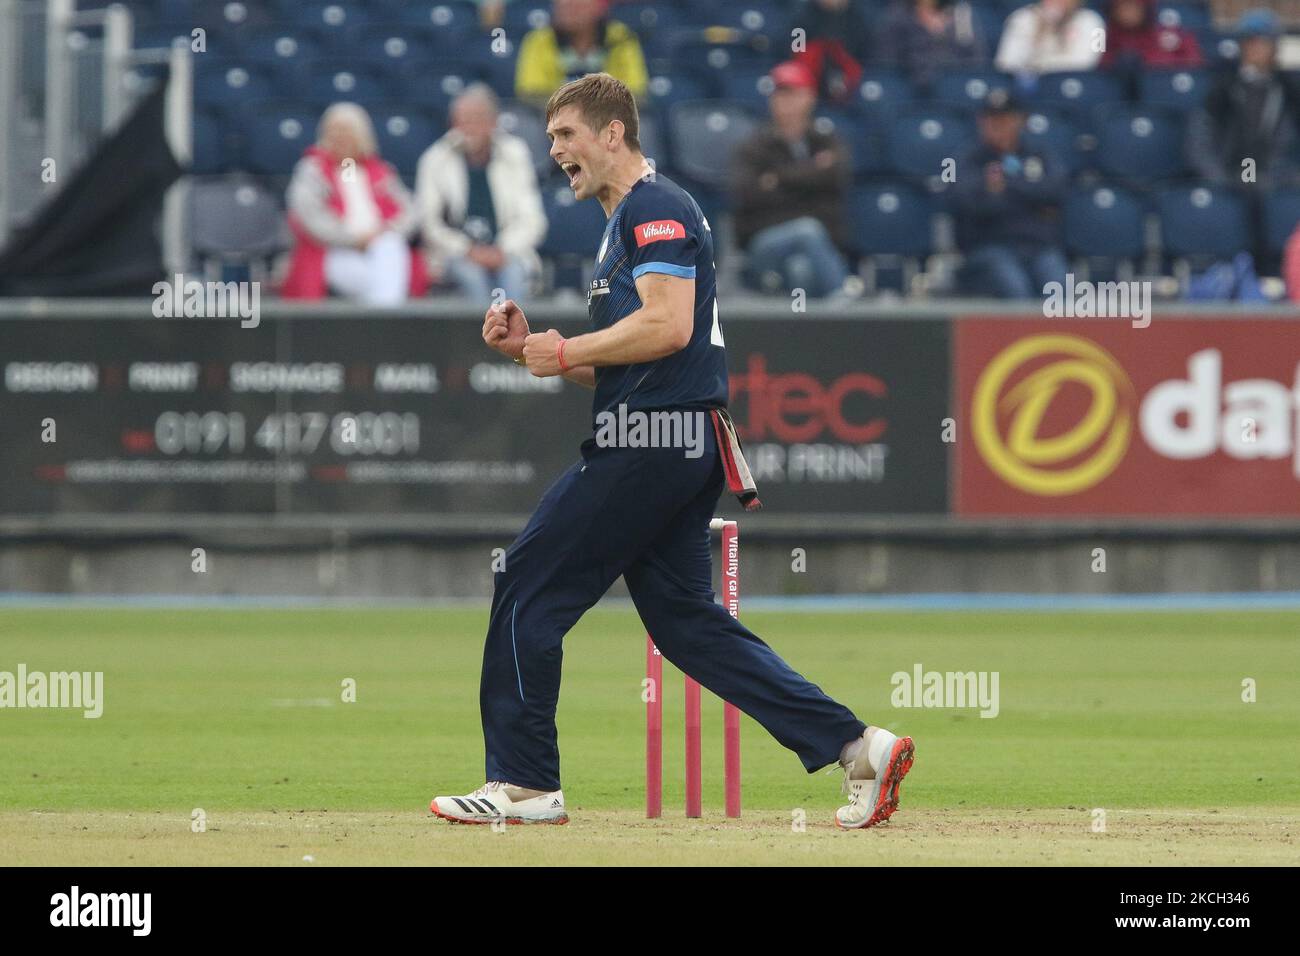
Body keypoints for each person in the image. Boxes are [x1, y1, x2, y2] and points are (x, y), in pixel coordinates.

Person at [429, 73, 913, 828]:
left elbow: (669, 326)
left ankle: (524, 785)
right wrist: (531, 350)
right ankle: (857, 748)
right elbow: (628, 353)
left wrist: (565, 347)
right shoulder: (626, 221)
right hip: (678, 437)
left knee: (526, 581)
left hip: (650, 440)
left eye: (566, 135)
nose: (555, 151)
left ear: (612, 133)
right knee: (687, 623)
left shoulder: (654, 206)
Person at [730, 60, 856, 299]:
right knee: (807, 230)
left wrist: (779, 178)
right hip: (764, 244)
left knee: (801, 270)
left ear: (810, 98)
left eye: (793, 94)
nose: (785, 102)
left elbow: (839, 177)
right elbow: (747, 194)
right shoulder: (754, 145)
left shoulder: (826, 140)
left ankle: (804, 333)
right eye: (779, 94)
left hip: (819, 246)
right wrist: (812, 175)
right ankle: (844, 305)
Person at [416, 85, 547, 303]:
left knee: (513, 275)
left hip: (507, 251)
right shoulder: (435, 159)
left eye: (477, 119)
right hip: (455, 254)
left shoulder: (515, 154)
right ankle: (486, 337)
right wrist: (467, 250)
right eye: (462, 120)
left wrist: (502, 250)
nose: (469, 128)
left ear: (493, 122)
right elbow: (429, 225)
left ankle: (515, 336)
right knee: (472, 276)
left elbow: (533, 220)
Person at [282, 103, 424, 305]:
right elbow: (310, 216)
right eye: (334, 132)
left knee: (390, 246)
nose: (340, 138)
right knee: (385, 283)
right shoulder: (311, 170)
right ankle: (391, 319)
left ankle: (384, 316)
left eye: (347, 132)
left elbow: (410, 211)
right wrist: (353, 239)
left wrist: (385, 231)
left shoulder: (382, 170)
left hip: (381, 247)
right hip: (333, 251)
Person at [953, 89, 1069, 298]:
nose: (997, 125)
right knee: (1015, 288)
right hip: (989, 246)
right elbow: (968, 203)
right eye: (991, 119)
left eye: (1004, 119)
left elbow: (1056, 191)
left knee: (1059, 286)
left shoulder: (1039, 154)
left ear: (1020, 121)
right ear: (981, 122)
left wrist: (1005, 184)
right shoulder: (967, 159)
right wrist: (1032, 200)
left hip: (1038, 246)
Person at [1188, 9, 1300, 191]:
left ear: (1275, 47)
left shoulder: (1290, 91)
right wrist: (1218, 177)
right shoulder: (1222, 89)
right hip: (1229, 180)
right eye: (1250, 42)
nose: (1256, 48)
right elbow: (1200, 139)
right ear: (1241, 46)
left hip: (1279, 184)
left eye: (1263, 42)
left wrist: (1290, 176)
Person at [515, 0, 648, 104]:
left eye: (575, 5)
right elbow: (531, 92)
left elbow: (636, 90)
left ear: (598, 8)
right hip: (552, 120)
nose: (565, 8)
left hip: (609, 118)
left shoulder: (621, 37)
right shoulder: (539, 39)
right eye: (561, 4)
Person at [874, 0, 988, 93]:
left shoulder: (961, 13)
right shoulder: (897, 14)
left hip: (953, 90)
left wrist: (941, 36)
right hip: (908, 89)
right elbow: (886, 62)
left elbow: (976, 62)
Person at [995, 0, 1106, 76]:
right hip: (1030, 90)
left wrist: (1039, 65)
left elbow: (1088, 64)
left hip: (1076, 86)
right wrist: (1039, 36)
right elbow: (1005, 63)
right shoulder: (1021, 18)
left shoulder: (1095, 22)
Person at [1101, 0, 1203, 71]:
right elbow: (1095, 67)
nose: (1129, 12)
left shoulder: (1169, 35)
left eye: (1134, 6)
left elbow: (1195, 64)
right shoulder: (1102, 36)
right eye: (1123, 6)